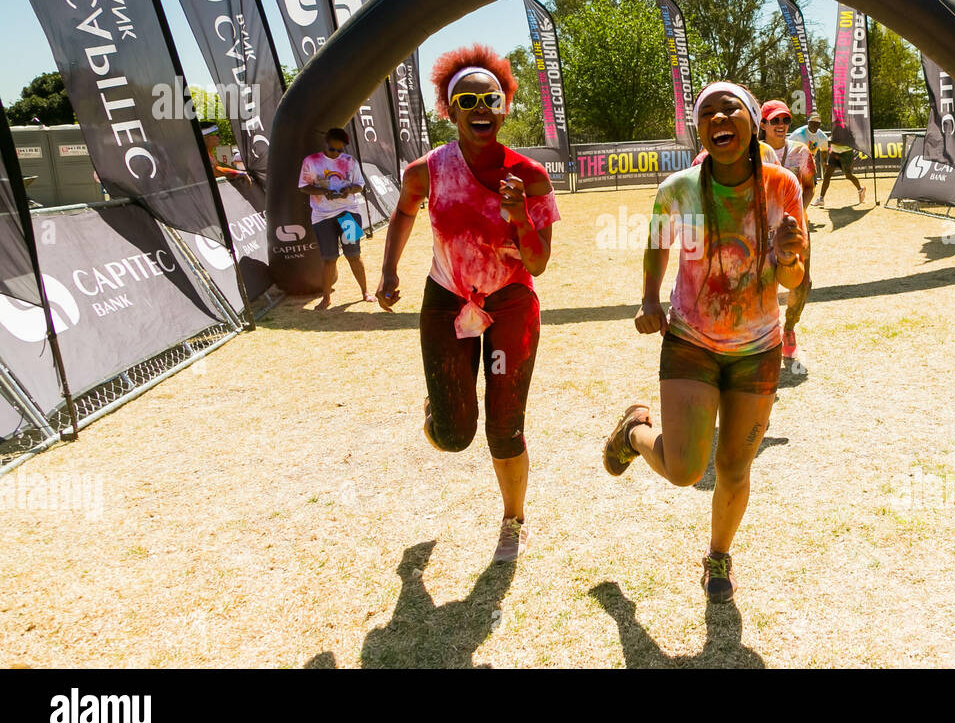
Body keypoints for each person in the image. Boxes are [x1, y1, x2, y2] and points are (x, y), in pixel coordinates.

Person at [603, 81, 807, 603]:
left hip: (757, 348)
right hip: (691, 339)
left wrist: (788, 257)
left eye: (730, 108)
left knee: (735, 469)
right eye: (708, 112)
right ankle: (635, 433)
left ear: (751, 122)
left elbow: (793, 280)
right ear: (700, 129)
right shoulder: (679, 189)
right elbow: (656, 243)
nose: (720, 117)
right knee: (686, 470)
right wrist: (650, 298)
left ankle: (718, 555)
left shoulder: (782, 187)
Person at [376, 44, 559, 564]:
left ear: (504, 108)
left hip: (510, 302)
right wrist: (389, 271)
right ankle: (442, 407)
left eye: (490, 98)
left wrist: (520, 215)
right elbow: (405, 211)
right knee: (454, 437)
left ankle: (513, 521)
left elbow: (539, 263)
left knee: (505, 426)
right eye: (468, 99)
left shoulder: (532, 177)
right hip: (448, 299)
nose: (481, 107)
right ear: (450, 110)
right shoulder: (427, 171)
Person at [759, 100, 816, 362]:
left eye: (785, 121)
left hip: (795, 228)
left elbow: (809, 186)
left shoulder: (801, 152)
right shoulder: (753, 152)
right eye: (775, 121)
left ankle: (789, 329)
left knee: (802, 282)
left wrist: (794, 213)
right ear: (763, 124)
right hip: (759, 229)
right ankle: (762, 335)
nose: (781, 126)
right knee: (761, 281)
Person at [299, 127, 375, 309]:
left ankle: (365, 292)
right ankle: (326, 298)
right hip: (322, 216)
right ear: (325, 144)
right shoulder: (311, 161)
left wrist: (349, 189)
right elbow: (303, 186)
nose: (336, 154)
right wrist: (324, 192)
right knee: (329, 258)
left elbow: (360, 185)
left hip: (348, 212)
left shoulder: (350, 161)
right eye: (332, 149)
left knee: (354, 254)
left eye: (340, 150)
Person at [815, 115, 866, 208]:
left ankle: (860, 189)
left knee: (848, 175)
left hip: (846, 154)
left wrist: (830, 141)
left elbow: (842, 142)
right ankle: (821, 199)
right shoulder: (834, 126)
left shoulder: (846, 128)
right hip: (834, 153)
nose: (832, 121)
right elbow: (833, 139)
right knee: (827, 175)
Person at [787, 113, 829, 184]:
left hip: (810, 163)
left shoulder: (822, 137)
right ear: (808, 122)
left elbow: (824, 151)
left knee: (811, 186)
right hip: (795, 163)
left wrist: (824, 162)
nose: (814, 125)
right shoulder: (798, 134)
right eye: (812, 123)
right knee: (795, 185)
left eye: (817, 123)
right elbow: (787, 146)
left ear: (819, 125)